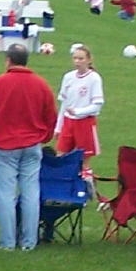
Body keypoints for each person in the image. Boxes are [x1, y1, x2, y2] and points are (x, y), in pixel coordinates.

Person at [0, 43, 58, 251]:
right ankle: (29, 242)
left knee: (5, 193)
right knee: (31, 192)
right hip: (32, 143)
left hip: (4, 144)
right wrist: (45, 137)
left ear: (8, 60)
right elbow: (51, 115)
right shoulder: (41, 84)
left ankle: (8, 242)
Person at [56, 44, 105, 178]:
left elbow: (97, 106)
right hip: (68, 122)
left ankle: (84, 192)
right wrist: (58, 127)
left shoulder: (94, 78)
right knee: (60, 156)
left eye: (81, 58)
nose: (77, 62)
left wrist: (78, 112)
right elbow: (64, 104)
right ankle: (62, 190)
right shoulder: (68, 77)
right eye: (75, 58)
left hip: (85, 123)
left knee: (84, 161)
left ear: (89, 60)